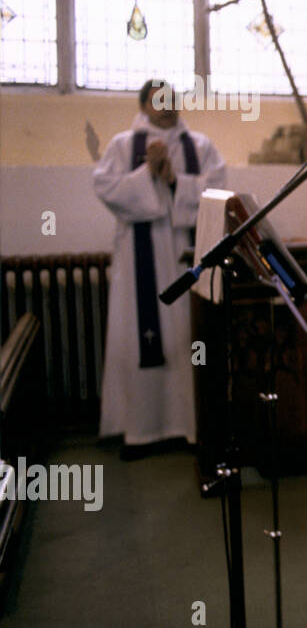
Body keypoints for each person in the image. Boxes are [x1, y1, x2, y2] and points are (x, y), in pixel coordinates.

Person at [93, 80, 227, 458]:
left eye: (172, 100)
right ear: (143, 105)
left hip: (186, 256)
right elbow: (105, 187)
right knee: (138, 337)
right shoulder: (123, 145)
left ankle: (189, 427)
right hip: (140, 262)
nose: (167, 108)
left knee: (187, 339)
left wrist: (173, 181)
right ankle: (140, 431)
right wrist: (145, 175)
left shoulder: (199, 145)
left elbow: (217, 191)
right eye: (158, 101)